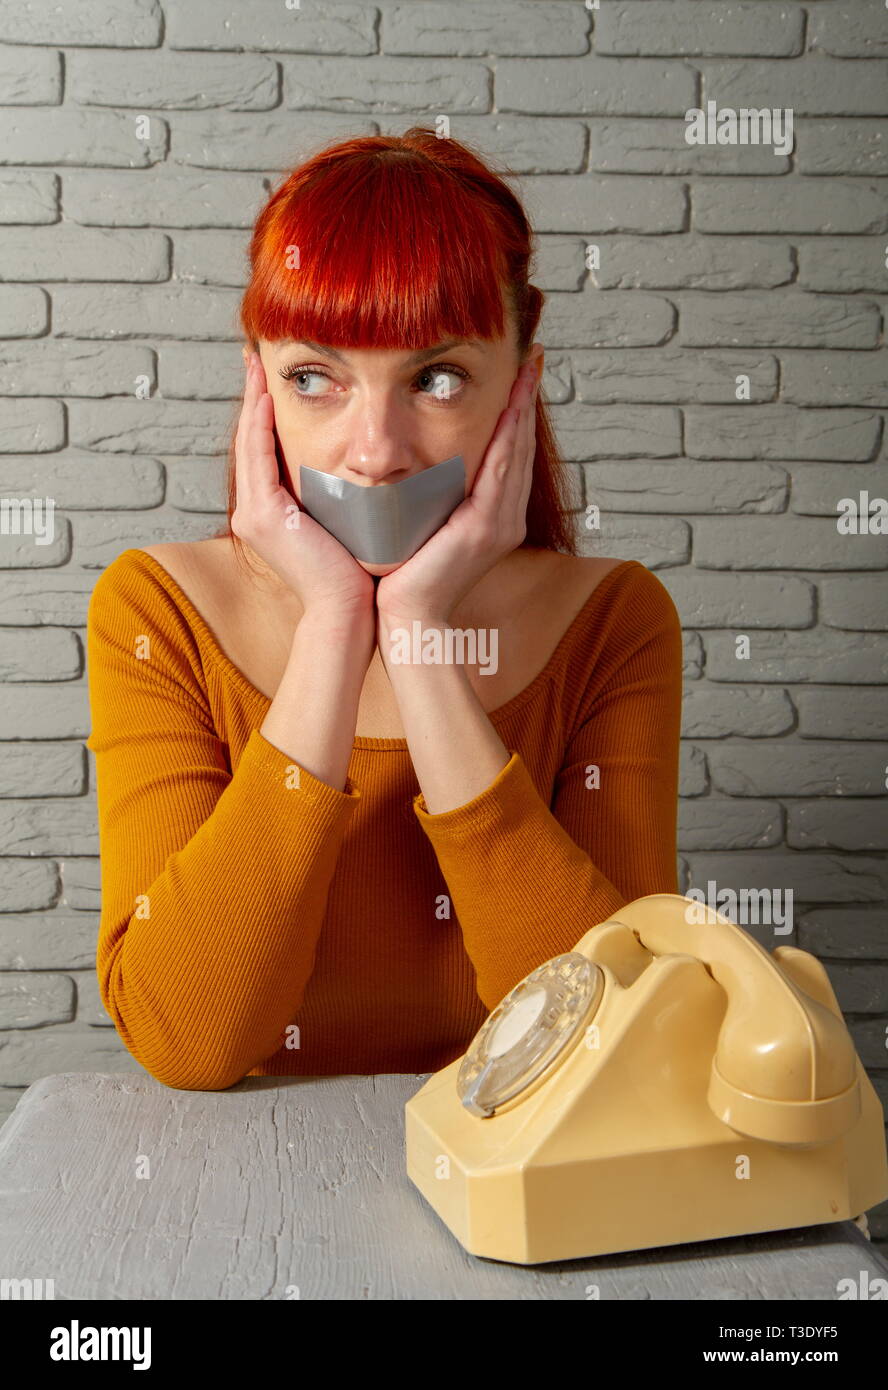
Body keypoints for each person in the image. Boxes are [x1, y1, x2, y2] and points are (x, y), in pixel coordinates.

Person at [85, 128, 683, 1092]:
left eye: (435, 378)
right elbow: (188, 1041)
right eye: (313, 377)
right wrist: (335, 626)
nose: (373, 452)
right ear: (260, 383)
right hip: (251, 1202)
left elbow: (609, 1051)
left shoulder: (614, 623)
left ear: (520, 380)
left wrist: (417, 633)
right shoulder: (155, 611)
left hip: (511, 1194)